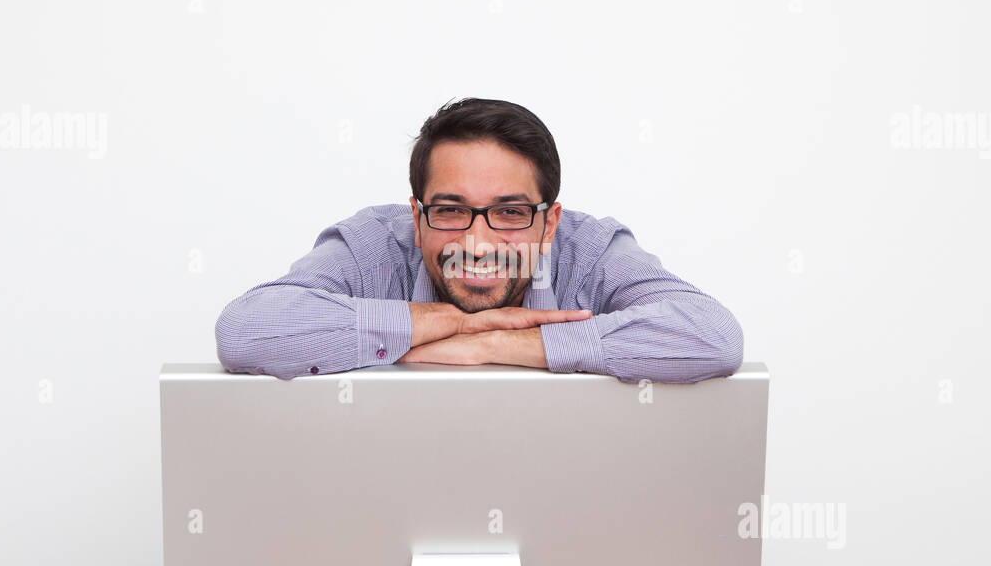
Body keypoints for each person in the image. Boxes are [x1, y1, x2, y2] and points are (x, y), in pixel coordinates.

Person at [215, 97, 743, 384]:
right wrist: (449, 322)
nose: (478, 241)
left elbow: (712, 335)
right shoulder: (372, 244)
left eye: (510, 212)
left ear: (550, 222)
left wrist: (496, 345)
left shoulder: (591, 250)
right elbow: (247, 329)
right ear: (416, 217)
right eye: (451, 210)